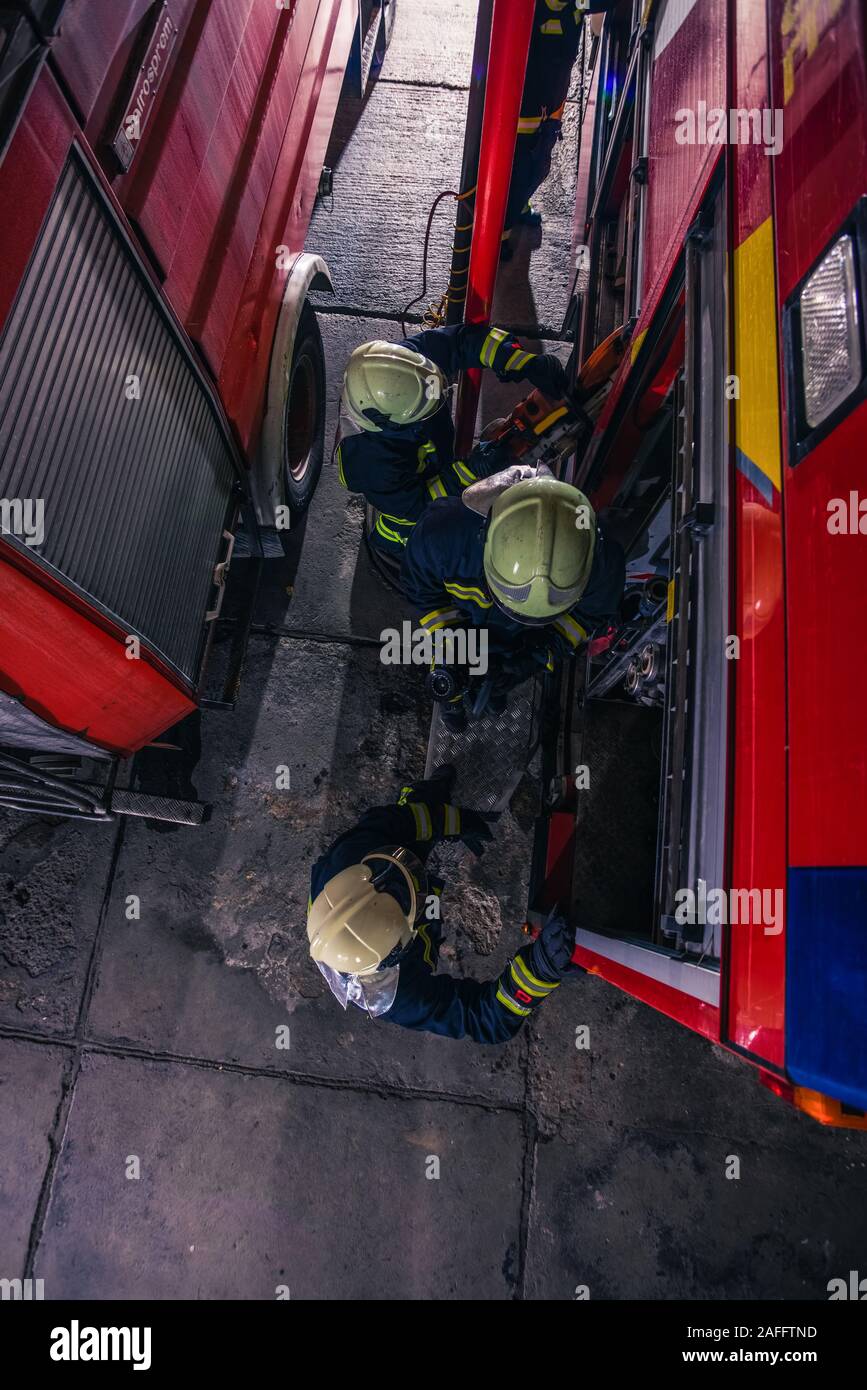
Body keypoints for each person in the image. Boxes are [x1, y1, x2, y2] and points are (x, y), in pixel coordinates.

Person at [307, 767, 579, 1042]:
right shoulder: (405, 998)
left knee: (414, 814)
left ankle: (419, 798)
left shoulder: (346, 862)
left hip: (381, 878)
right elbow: (484, 1018)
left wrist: (447, 818)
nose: (408, 874)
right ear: (399, 948)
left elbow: (396, 823)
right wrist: (539, 971)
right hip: (412, 940)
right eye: (409, 893)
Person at [401, 471, 625, 730]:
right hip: (461, 630)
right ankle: (452, 705)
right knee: (450, 674)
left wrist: (536, 656)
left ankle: (496, 695)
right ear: (485, 539)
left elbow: (586, 617)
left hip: (521, 644)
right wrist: (450, 636)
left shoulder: (604, 565)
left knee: (500, 683)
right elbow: (422, 591)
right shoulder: (440, 534)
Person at [335, 322, 570, 556]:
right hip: (404, 516)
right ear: (390, 422)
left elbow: (462, 341)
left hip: (430, 461)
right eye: (425, 410)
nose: (437, 404)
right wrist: (470, 470)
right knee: (432, 532)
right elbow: (420, 504)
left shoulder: (404, 368)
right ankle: (402, 550)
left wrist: (521, 362)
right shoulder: (371, 464)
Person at [502, 0, 619, 260]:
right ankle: (502, 234)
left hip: (546, 107)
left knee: (532, 167)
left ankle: (517, 208)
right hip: (525, 108)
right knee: (525, 170)